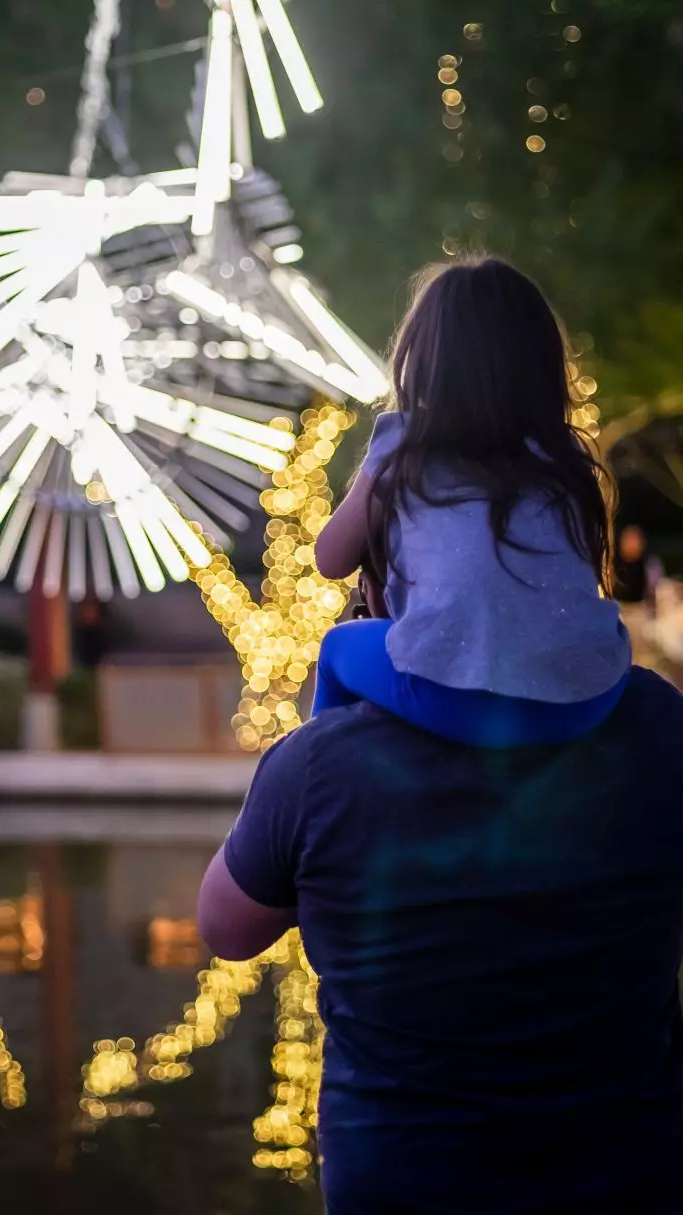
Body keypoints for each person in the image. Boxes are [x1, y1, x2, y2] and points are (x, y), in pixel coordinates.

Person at [197, 260, 683, 1214]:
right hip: (629, 1178)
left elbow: (224, 927)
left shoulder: (315, 769)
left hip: (404, 1181)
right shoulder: (660, 725)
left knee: (340, 658)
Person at [313, 257, 631, 748]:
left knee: (337, 647)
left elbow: (331, 558)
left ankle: (318, 780)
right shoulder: (566, 457)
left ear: (424, 359)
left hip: (454, 700)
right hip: (582, 700)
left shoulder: (406, 446)